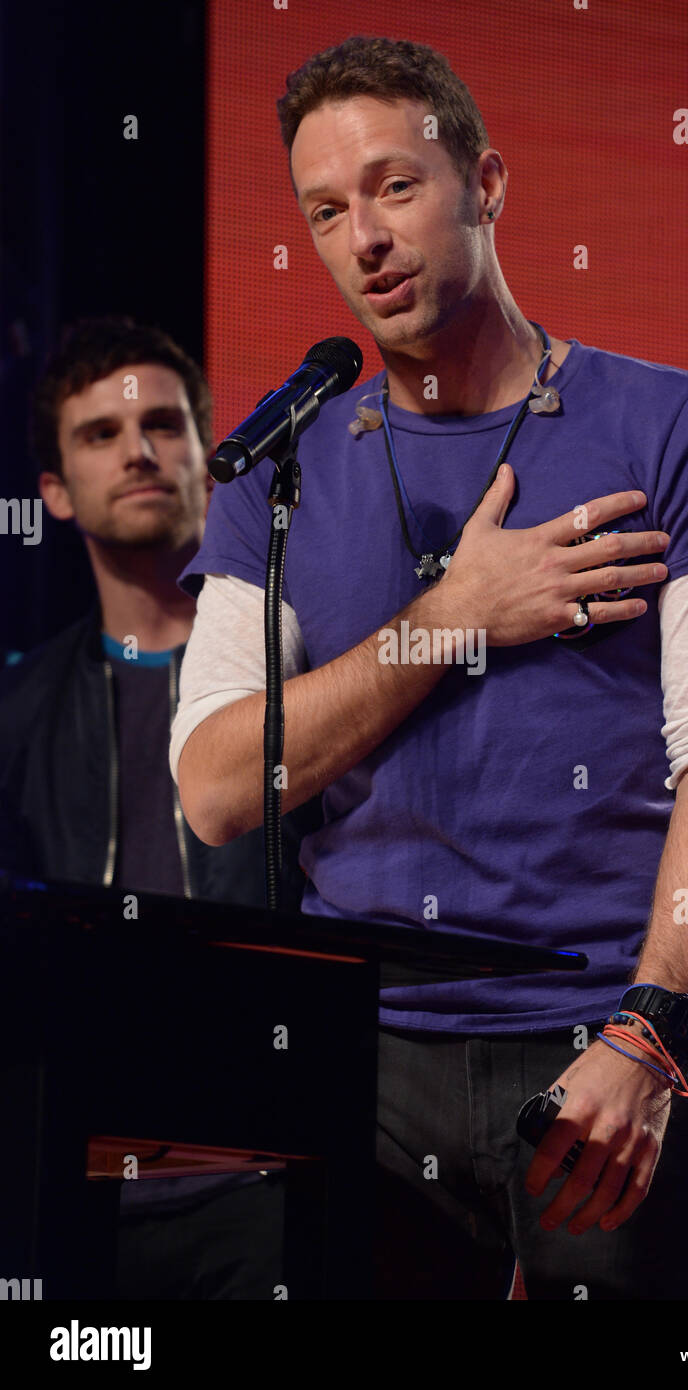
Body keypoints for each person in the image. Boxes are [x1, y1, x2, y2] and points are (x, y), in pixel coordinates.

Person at [171, 37, 688, 1301]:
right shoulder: (278, 477)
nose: (364, 239)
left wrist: (651, 1031)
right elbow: (219, 787)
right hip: (364, 1059)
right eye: (327, 211)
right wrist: (452, 615)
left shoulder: (674, 428)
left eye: (395, 186)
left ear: (489, 182)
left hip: (602, 1045)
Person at [0, 316, 320, 1298]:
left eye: (166, 426)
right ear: (52, 492)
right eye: (100, 434)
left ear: (210, 452)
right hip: (71, 1188)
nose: (139, 451)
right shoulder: (18, 711)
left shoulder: (305, 666)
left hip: (276, 1175)